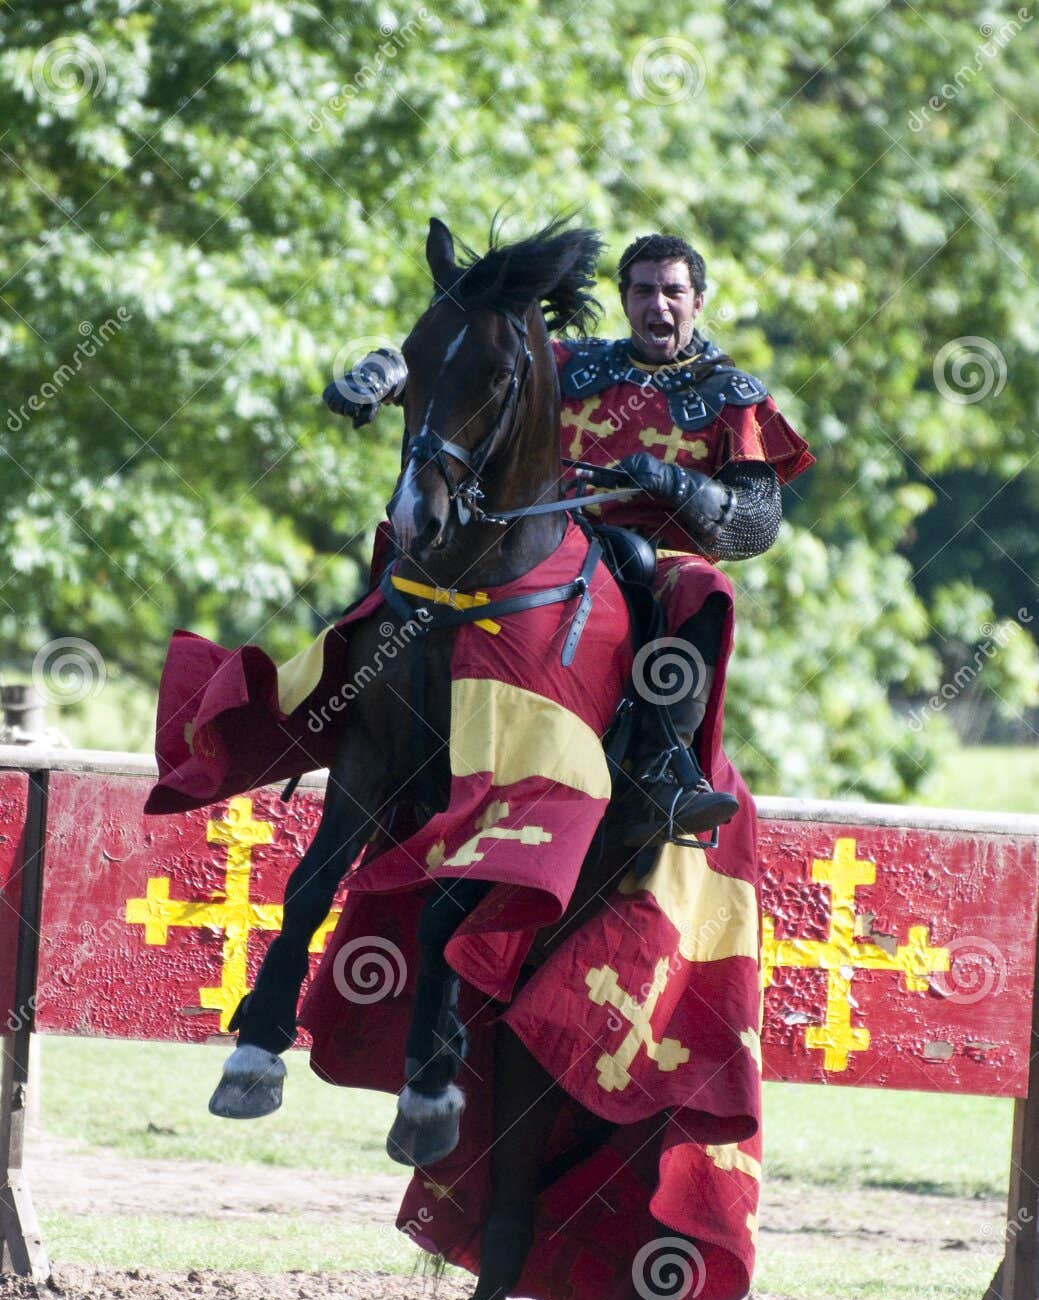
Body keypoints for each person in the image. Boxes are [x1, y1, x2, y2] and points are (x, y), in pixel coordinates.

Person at [325, 230, 814, 851]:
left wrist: (672, 482)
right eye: (644, 291)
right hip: (541, 542)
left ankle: (663, 768)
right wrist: (380, 371)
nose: (658, 304)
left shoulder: (731, 397)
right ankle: (350, 698)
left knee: (702, 584)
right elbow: (469, 359)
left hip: (652, 556)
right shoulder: (570, 364)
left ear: (697, 301)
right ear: (625, 299)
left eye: (673, 292)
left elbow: (755, 521)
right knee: (415, 535)